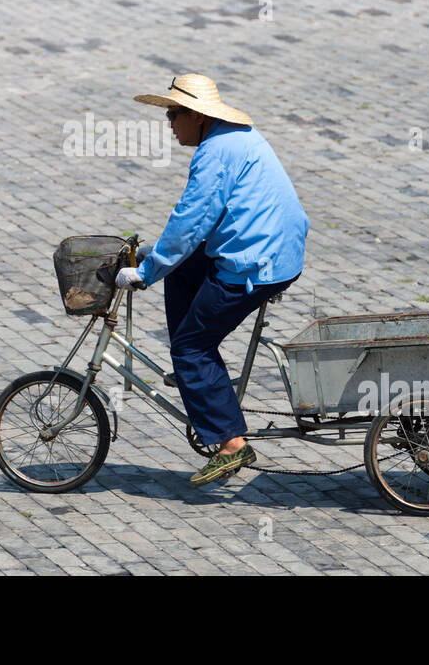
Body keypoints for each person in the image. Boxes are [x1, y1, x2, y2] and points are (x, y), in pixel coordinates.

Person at [115, 74, 309, 487]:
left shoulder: (215, 153)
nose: (169, 123)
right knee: (182, 271)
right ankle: (197, 375)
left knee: (188, 348)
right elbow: (199, 225)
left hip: (257, 263)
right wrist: (162, 258)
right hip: (273, 247)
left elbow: (190, 220)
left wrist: (146, 272)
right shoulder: (236, 136)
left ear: (198, 116)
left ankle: (230, 443)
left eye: (172, 114)